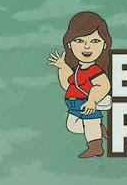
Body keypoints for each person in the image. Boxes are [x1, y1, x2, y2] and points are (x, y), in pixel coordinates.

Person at [48, 11, 113, 158]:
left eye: (94, 41)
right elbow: (67, 84)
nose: (87, 47)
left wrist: (92, 101)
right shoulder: (78, 69)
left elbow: (103, 86)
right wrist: (62, 67)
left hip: (87, 104)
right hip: (74, 105)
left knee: (90, 123)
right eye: (79, 41)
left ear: (104, 45)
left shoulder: (94, 70)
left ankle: (95, 147)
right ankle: (98, 130)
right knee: (72, 126)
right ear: (69, 44)